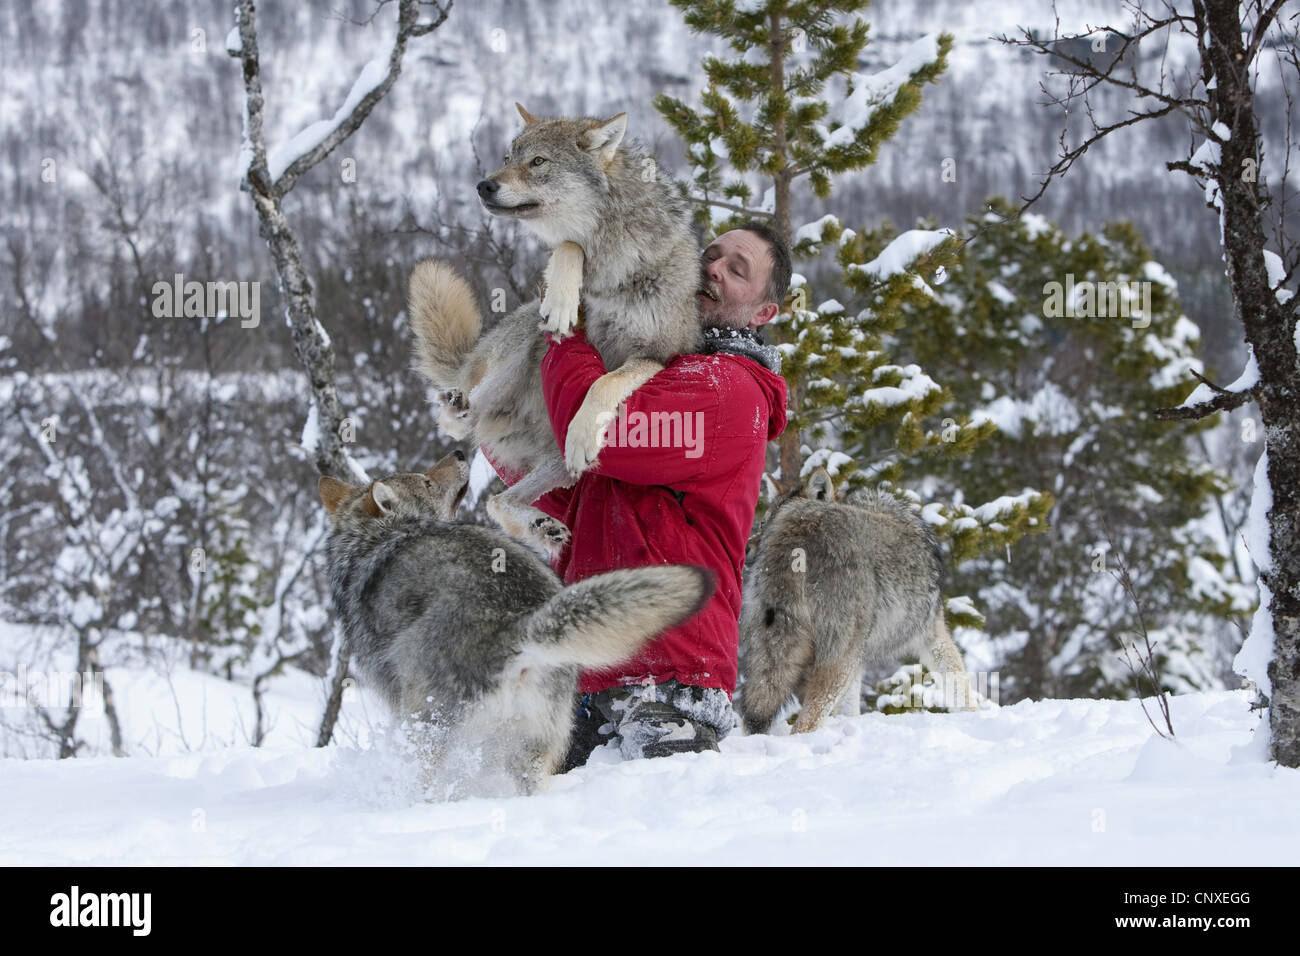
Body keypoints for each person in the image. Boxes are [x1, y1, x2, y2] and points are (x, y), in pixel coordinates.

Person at [492, 223, 791, 765]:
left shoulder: (728, 387)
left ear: (763, 313)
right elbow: (578, 496)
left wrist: (567, 327)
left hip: (666, 681)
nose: (714, 269)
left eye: (738, 269)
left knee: (654, 842)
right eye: (711, 254)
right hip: (582, 678)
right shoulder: (659, 369)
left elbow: (599, 438)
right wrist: (499, 433)